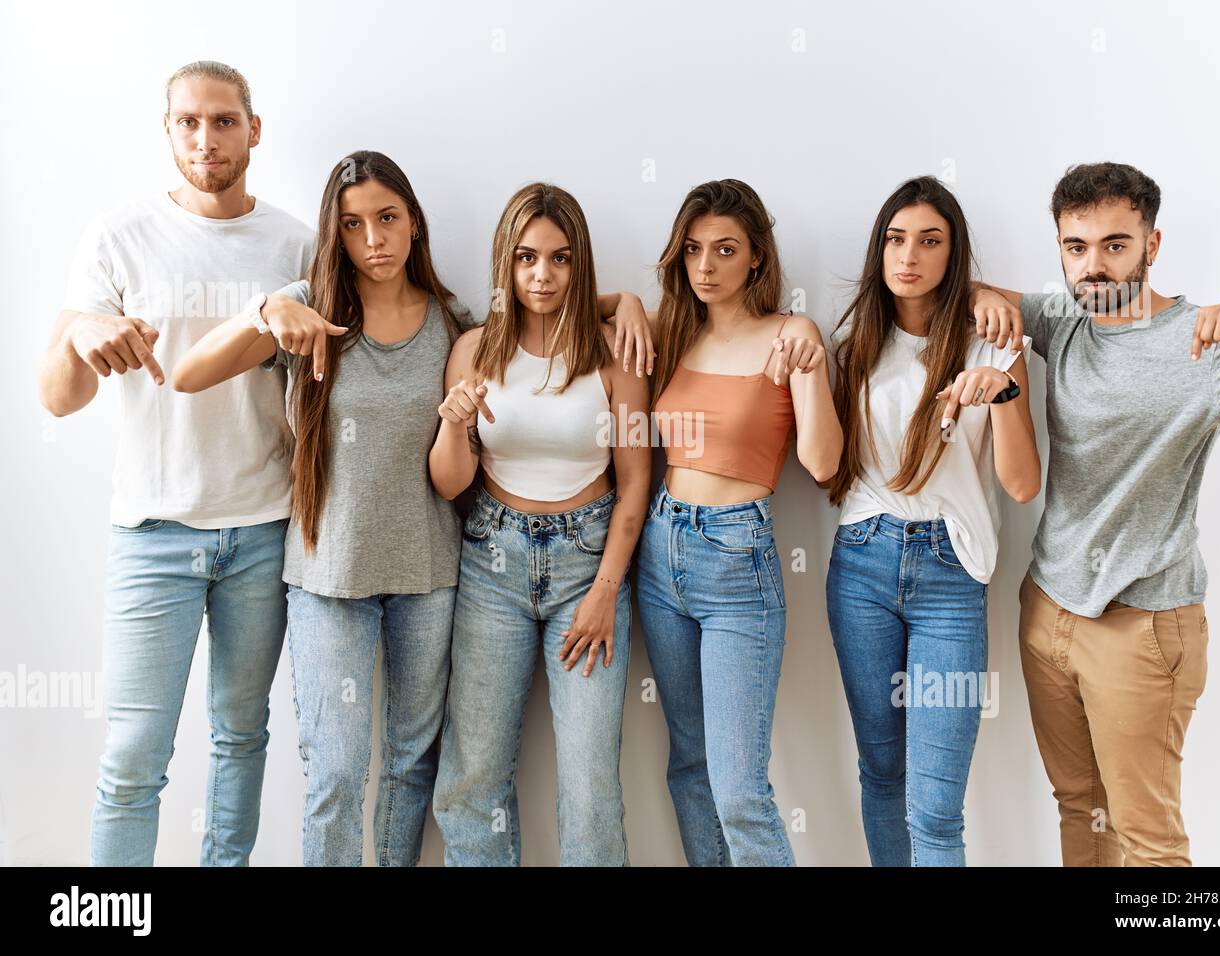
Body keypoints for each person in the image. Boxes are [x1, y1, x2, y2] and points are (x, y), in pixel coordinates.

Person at [977, 161, 1220, 866]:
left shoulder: (1204, 344)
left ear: (1152, 245)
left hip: (1143, 624)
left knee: (1147, 838)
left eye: (1115, 245)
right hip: (1049, 608)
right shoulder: (1062, 318)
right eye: (1076, 247)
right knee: (1080, 809)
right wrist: (987, 306)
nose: (1094, 266)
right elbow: (956, 289)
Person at [37, 61, 314, 866]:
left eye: (223, 121)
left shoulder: (296, 243)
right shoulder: (117, 236)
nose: (205, 138)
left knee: (242, 735)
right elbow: (57, 400)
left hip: (261, 531)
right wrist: (81, 335)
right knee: (132, 758)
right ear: (167, 131)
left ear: (254, 130)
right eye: (187, 122)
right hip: (152, 533)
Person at [173, 150, 470, 866]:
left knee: (411, 763)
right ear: (334, 234)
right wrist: (265, 309)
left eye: (387, 218)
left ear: (414, 221)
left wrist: (616, 304)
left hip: (428, 574)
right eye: (353, 225)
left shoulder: (450, 320)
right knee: (336, 772)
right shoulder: (307, 308)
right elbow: (187, 374)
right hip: (326, 577)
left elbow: (542, 314)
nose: (374, 239)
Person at [429, 182, 651, 866]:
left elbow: (635, 484)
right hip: (491, 560)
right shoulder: (474, 351)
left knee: (589, 783)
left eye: (560, 259)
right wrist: (454, 425)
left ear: (579, 263)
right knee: (473, 774)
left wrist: (606, 591)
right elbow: (450, 483)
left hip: (589, 563)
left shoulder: (614, 354)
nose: (542, 275)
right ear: (507, 262)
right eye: (526, 258)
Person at [824, 176, 1040, 866]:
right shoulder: (854, 343)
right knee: (882, 774)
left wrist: (1003, 392)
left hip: (952, 574)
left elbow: (1023, 485)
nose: (909, 255)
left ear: (955, 254)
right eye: (895, 239)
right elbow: (827, 467)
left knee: (937, 809)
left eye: (929, 240)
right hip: (861, 565)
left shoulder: (993, 345)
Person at [635, 178, 843, 866]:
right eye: (693, 249)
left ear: (756, 256)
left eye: (725, 249)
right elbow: (581, 315)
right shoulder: (674, 333)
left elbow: (822, 464)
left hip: (736, 556)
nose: (706, 266)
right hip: (660, 549)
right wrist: (625, 304)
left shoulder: (790, 334)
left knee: (738, 791)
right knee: (689, 769)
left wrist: (812, 372)